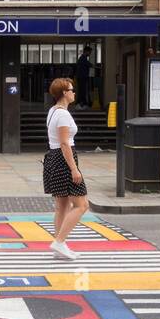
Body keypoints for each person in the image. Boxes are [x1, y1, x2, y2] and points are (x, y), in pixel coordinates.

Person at [43, 77, 90, 261]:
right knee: (82, 205)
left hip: (54, 158)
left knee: (62, 205)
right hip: (64, 159)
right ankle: (59, 241)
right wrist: (74, 168)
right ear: (64, 93)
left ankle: (59, 245)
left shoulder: (52, 111)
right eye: (71, 89)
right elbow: (64, 143)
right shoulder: (63, 114)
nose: (74, 92)